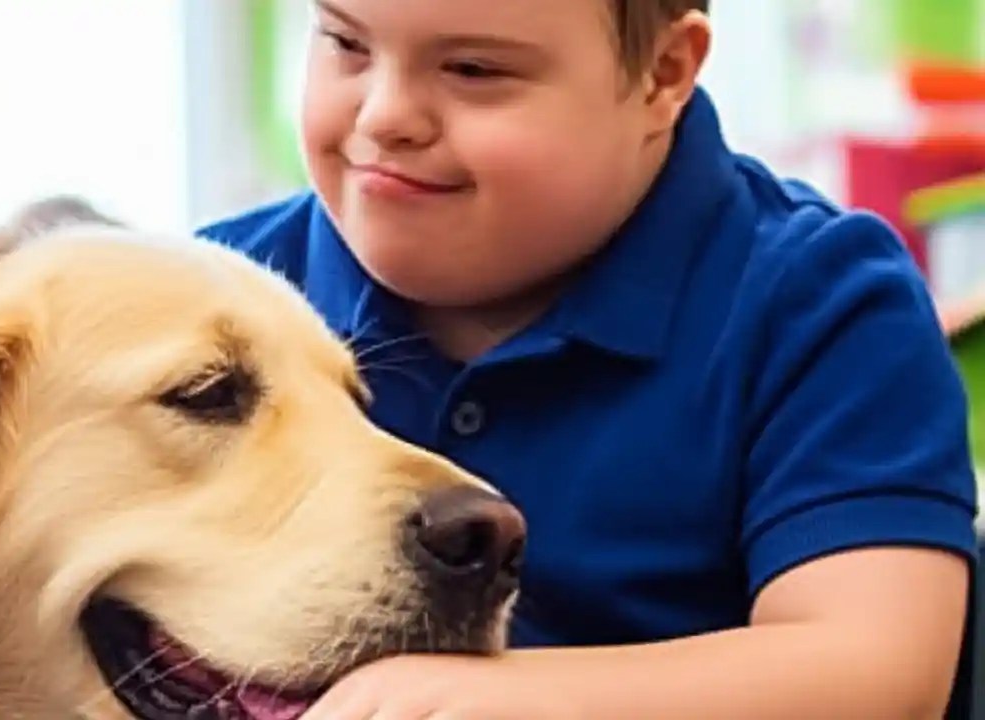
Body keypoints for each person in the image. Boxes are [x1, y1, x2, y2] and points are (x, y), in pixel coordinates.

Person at [197, 1, 980, 717]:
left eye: (473, 70)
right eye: (345, 43)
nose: (385, 114)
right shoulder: (214, 301)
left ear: (663, 75)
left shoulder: (824, 304)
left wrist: (492, 703)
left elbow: (874, 676)